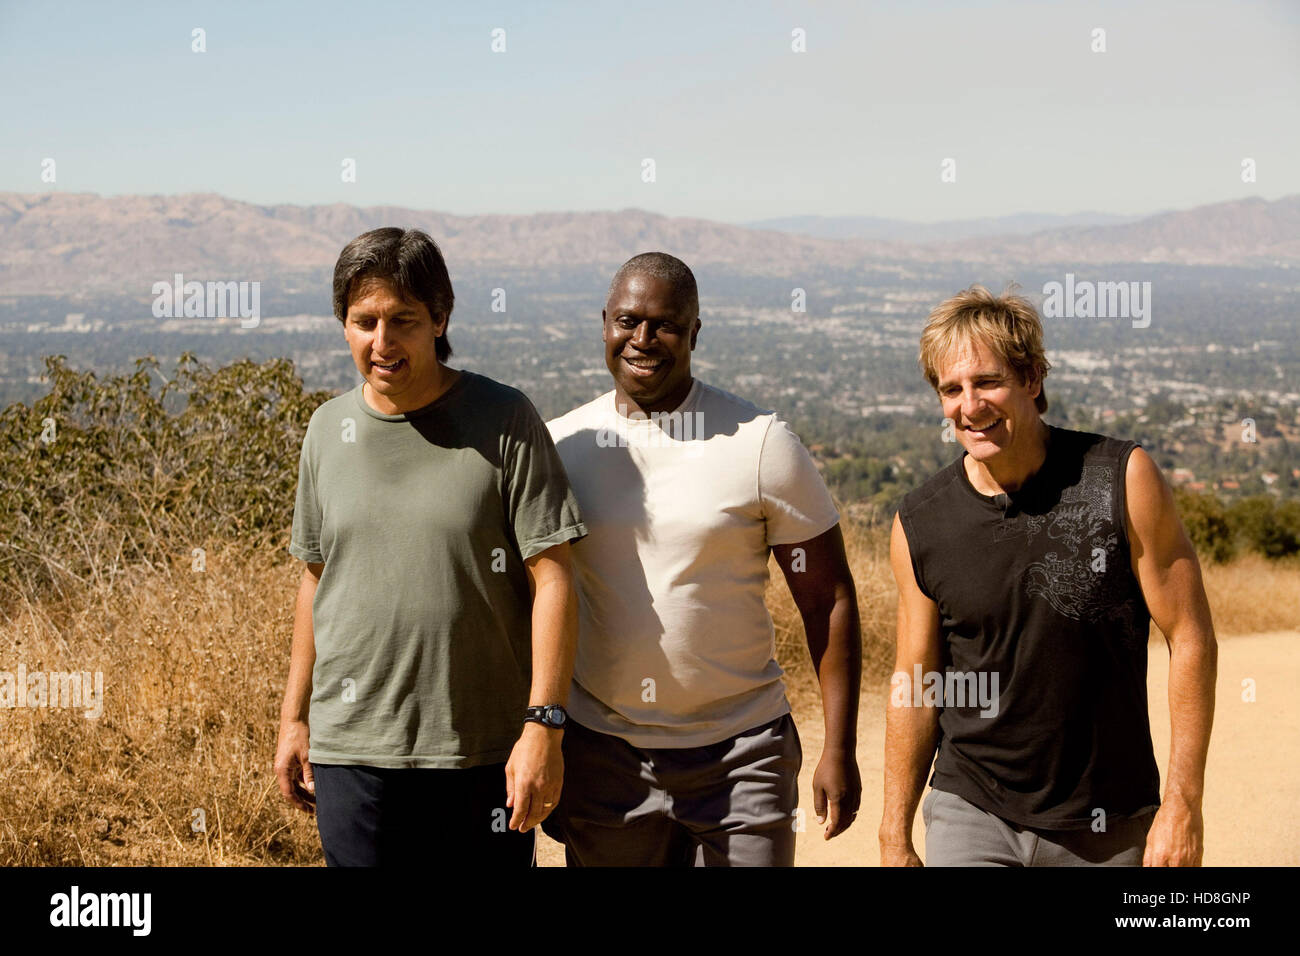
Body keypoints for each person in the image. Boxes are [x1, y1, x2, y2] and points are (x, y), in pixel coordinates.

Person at [273, 227, 587, 867]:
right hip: (352, 753)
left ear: (440, 319)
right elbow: (315, 580)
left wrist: (544, 726)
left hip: (477, 754)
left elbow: (553, 578)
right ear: (343, 324)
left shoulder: (504, 420)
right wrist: (293, 719)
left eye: (402, 321)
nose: (381, 343)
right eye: (364, 322)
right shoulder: (327, 430)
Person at [541, 252, 862, 866]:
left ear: (694, 332)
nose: (642, 339)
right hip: (605, 757)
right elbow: (532, 602)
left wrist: (838, 748)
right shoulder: (562, 447)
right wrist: (543, 737)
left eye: (663, 324)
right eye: (627, 321)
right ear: (603, 323)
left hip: (743, 754)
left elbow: (828, 599)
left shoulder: (761, 444)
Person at [880, 284, 1217, 867]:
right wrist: (894, 836)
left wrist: (1183, 803)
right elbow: (916, 681)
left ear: (1032, 378)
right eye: (951, 389)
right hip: (971, 807)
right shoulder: (920, 522)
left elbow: (1190, 637)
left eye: (988, 382)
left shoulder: (1121, 478)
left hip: (1107, 817)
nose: (970, 406)